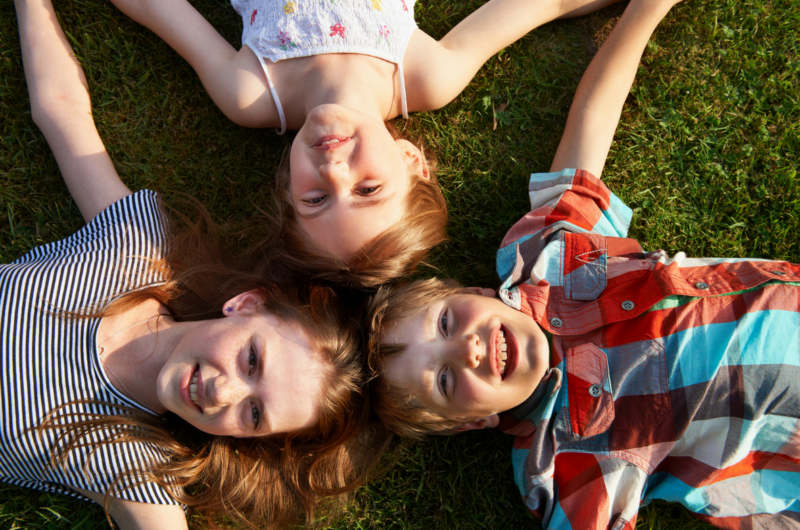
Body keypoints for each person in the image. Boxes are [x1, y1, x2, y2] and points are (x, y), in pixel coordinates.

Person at [365, 0, 800, 527]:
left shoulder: (546, 255)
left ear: (475, 294)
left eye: (446, 322)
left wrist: (647, 8)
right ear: (472, 423)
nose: (469, 349)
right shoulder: (557, 469)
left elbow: (591, 124)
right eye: (446, 381)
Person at [7, 1, 383, 528]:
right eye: (252, 360)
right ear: (246, 305)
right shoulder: (138, 250)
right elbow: (62, 112)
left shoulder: (134, 462)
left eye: (254, 415)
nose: (222, 391)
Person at [107, 0, 621, 287]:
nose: (334, 171)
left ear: (287, 189)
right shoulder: (426, 74)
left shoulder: (250, 92)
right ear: (411, 160)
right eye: (369, 188)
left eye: (315, 199)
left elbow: (161, 10)